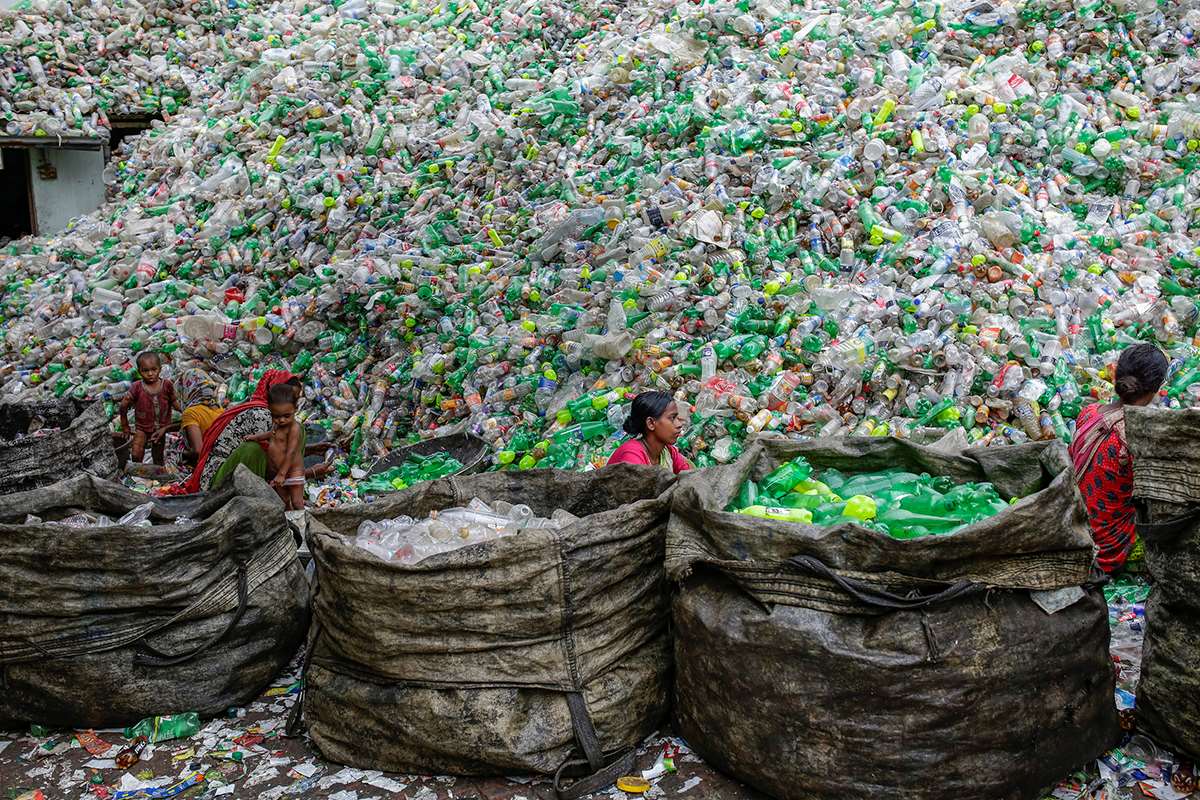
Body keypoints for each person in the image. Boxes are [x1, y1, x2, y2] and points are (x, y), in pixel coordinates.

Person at [1069, 342, 1168, 573]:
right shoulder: (1136, 439)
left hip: (1073, 524)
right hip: (1105, 549)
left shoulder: (1089, 413)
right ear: (1155, 389)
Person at [246, 384, 307, 509]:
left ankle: (305, 524)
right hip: (278, 472)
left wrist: (282, 474)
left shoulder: (294, 428)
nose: (281, 420)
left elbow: (291, 452)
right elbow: (272, 435)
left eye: (286, 416)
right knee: (283, 501)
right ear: (270, 410)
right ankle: (291, 524)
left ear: (295, 409)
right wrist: (257, 437)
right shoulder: (277, 426)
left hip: (291, 472)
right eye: (276, 416)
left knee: (297, 502)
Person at [607, 390, 691, 474]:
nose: (679, 424)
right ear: (651, 423)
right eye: (672, 418)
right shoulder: (631, 456)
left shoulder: (668, 452)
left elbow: (689, 476)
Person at [118, 351, 178, 466]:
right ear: (139, 371)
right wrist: (125, 425)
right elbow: (123, 405)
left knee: (158, 456)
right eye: (145, 371)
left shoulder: (167, 385)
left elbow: (173, 401)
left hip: (161, 428)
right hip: (142, 427)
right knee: (136, 452)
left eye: (153, 369)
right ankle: (137, 475)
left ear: (160, 369)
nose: (150, 373)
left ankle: (155, 478)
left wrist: (182, 410)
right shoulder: (137, 387)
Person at [177, 368, 223, 462]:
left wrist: (181, 453)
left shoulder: (191, 413)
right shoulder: (219, 409)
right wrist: (166, 428)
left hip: (207, 464)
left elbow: (198, 452)